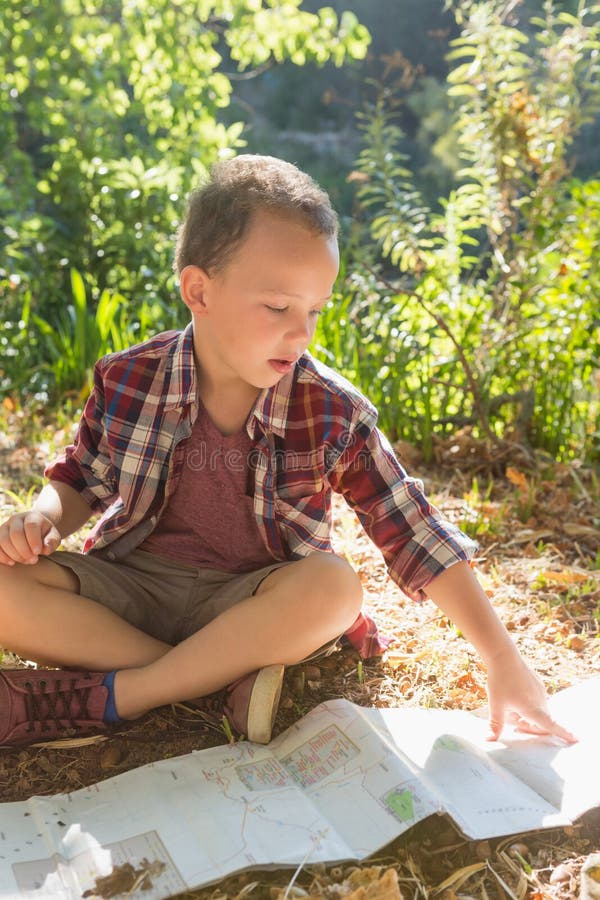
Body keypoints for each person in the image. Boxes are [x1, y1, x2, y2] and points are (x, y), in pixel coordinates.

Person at [0, 155, 575, 748]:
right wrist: (42, 517)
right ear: (199, 290)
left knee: (333, 587)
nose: (301, 333)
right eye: (278, 307)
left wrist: (504, 659)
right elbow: (82, 476)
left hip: (251, 602)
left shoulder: (329, 409)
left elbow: (411, 527)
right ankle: (215, 680)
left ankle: (125, 695)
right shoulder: (131, 377)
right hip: (134, 587)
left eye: (314, 311)